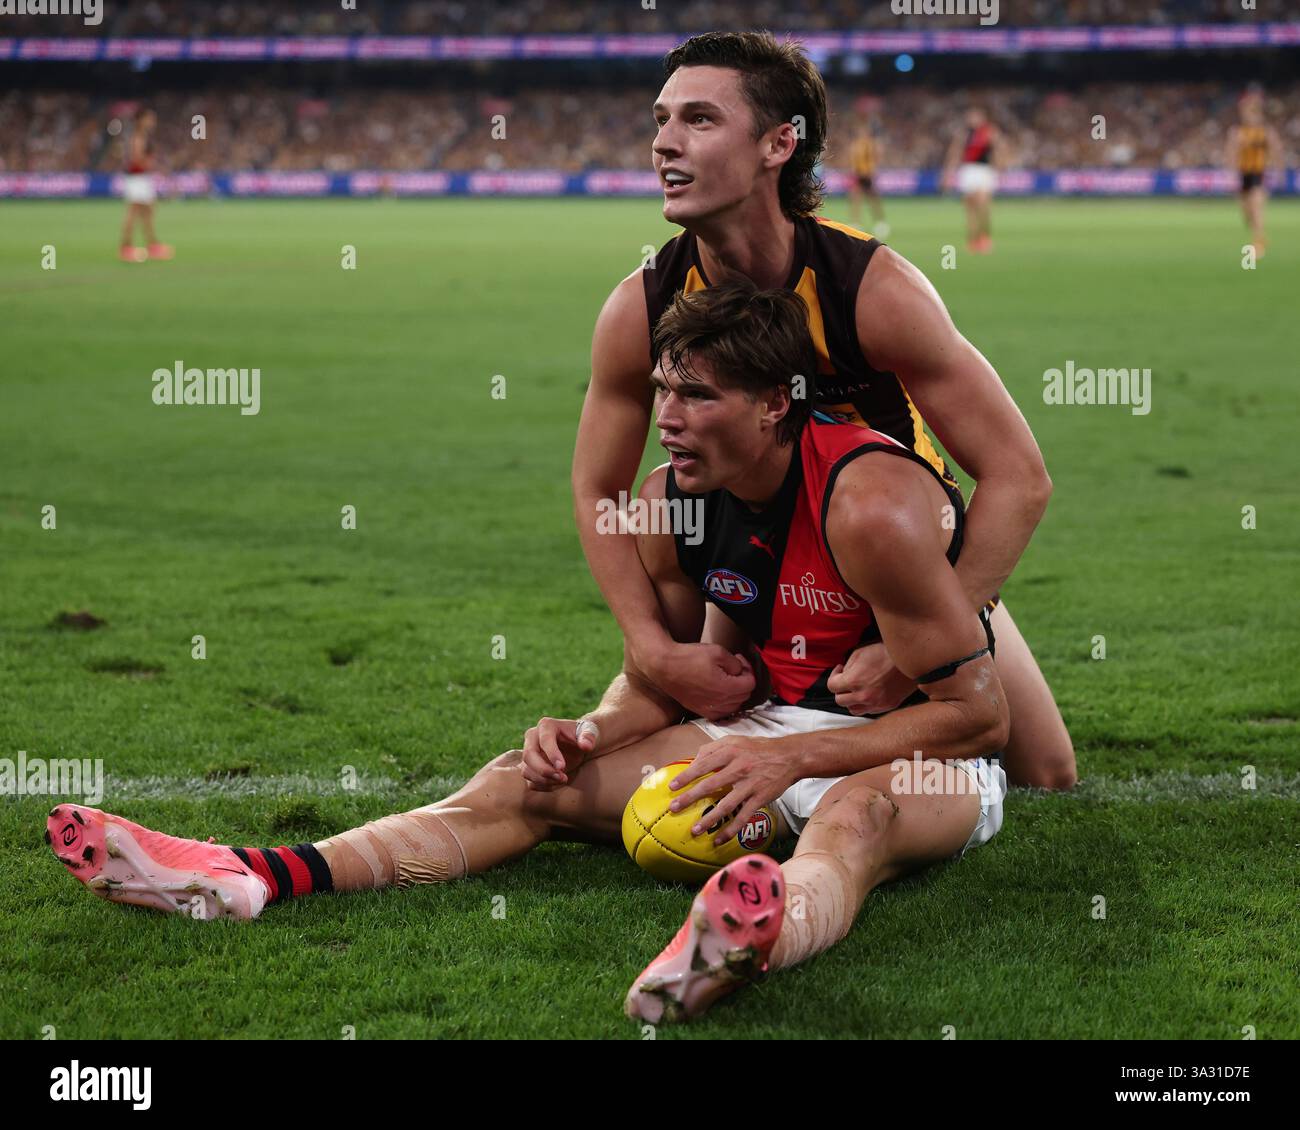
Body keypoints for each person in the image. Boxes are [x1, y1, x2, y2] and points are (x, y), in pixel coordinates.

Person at [48, 282, 1009, 1026]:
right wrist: (589, 728)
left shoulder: (871, 501)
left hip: (903, 750)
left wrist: (790, 755)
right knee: (530, 778)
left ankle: (741, 944)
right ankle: (253, 875)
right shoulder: (669, 500)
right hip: (755, 734)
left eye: (698, 395)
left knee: (857, 818)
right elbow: (666, 679)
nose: (668, 415)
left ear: (772, 405)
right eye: (664, 388)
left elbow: (978, 715)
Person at [575, 32, 1074, 790]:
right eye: (660, 120)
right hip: (743, 561)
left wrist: (923, 647)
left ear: (780, 144)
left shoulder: (872, 290)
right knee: (663, 556)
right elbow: (600, 493)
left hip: (893, 560)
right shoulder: (638, 306)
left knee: (1044, 773)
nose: (664, 144)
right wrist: (650, 647)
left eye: (699, 120)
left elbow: (1018, 476)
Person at [1225, 90, 1282, 257]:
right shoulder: (1237, 132)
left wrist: (1279, 170)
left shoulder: (1266, 131)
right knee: (1247, 212)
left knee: (1257, 206)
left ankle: (1259, 241)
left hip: (1258, 173)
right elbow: (1231, 152)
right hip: (1243, 174)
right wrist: (1230, 171)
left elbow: (1276, 150)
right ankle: (1256, 232)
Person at [941, 105, 1003, 254]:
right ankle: (973, 239)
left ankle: (985, 236)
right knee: (970, 208)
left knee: (983, 205)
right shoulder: (964, 134)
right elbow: (955, 153)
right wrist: (948, 173)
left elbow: (999, 149)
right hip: (968, 170)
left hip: (984, 170)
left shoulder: (989, 132)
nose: (972, 119)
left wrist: (999, 166)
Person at [119, 108, 174, 263]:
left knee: (148, 212)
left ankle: (152, 245)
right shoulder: (137, 137)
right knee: (133, 212)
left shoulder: (143, 136)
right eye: (149, 119)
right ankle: (126, 247)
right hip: (138, 178)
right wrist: (153, 165)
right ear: (140, 120)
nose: (152, 122)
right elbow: (136, 158)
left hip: (142, 178)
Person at [846, 118, 889, 237]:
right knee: (855, 198)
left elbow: (875, 157)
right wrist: (853, 170)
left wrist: (872, 170)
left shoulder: (870, 143)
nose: (861, 132)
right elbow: (853, 160)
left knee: (873, 199)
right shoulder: (856, 144)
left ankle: (880, 222)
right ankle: (856, 223)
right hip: (858, 174)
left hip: (867, 173)